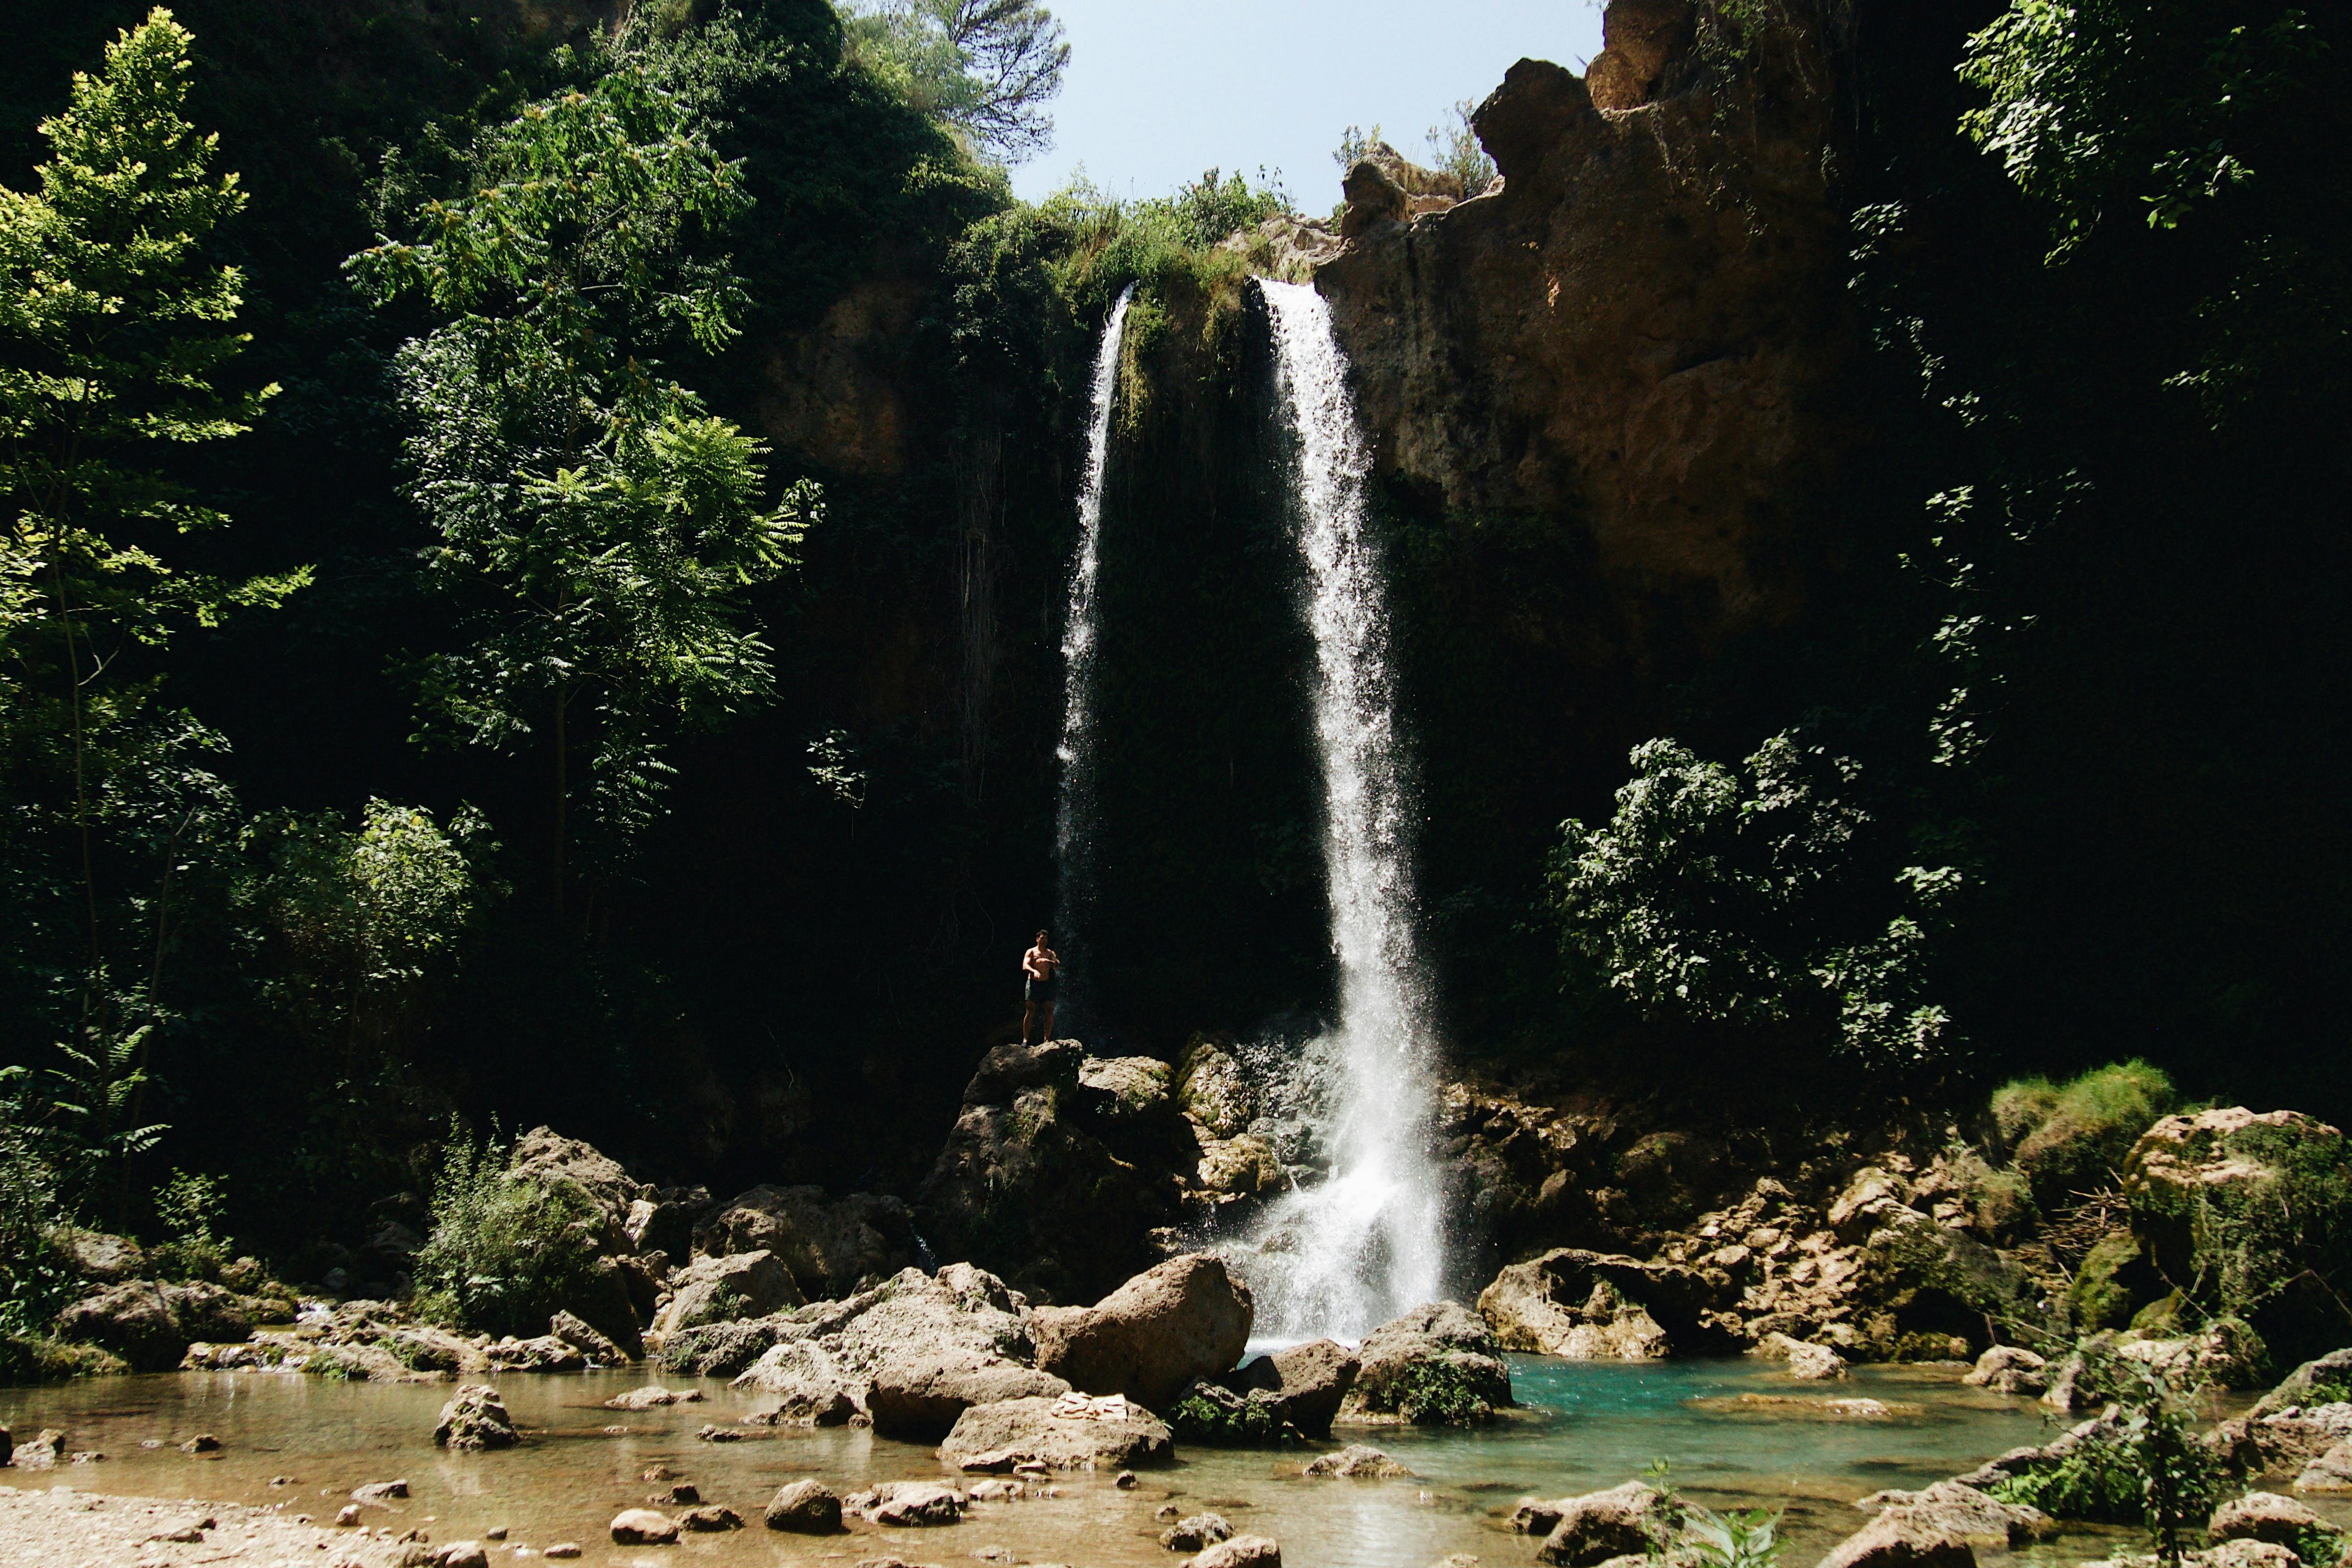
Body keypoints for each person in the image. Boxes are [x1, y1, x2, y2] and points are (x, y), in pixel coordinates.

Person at [1021, 930, 1060, 1044]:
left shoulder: (1050, 953)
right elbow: (1025, 965)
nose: (1044, 941)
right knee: (1030, 1010)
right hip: (1034, 983)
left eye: (1046, 939)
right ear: (1037, 939)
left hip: (1046, 983)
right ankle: (1025, 1040)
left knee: (1049, 1009)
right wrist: (1034, 971)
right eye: (1042, 938)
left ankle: (1046, 1039)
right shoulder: (1031, 952)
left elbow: (1057, 964)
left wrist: (1048, 961)